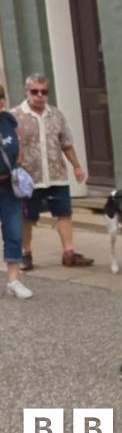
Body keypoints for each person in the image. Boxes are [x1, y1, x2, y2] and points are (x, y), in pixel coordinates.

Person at [13, 74, 92, 270]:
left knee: (64, 213)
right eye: (35, 92)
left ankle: (69, 252)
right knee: (27, 217)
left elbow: (66, 143)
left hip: (57, 175)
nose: (40, 96)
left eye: (44, 92)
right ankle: (26, 253)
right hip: (29, 178)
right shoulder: (14, 116)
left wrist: (77, 166)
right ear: (27, 92)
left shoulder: (56, 115)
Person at [0, 84, 32, 299]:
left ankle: (14, 279)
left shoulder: (9, 120)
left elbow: (18, 145)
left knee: (13, 231)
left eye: (1, 97)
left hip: (8, 187)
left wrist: (19, 163)